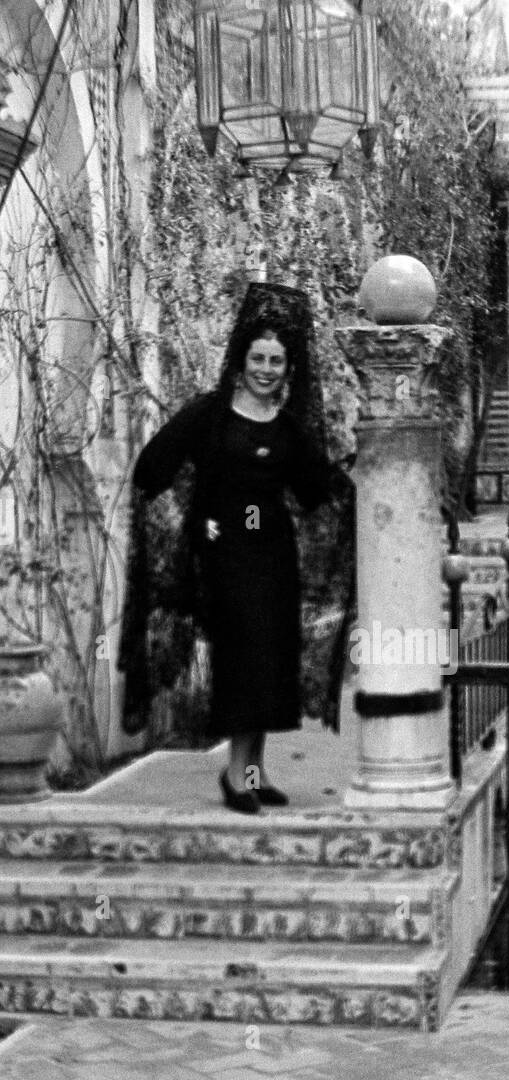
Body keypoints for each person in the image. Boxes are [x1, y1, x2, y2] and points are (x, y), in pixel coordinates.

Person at [118, 284, 355, 815]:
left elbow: (317, 492)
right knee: (242, 661)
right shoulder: (210, 415)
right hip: (226, 560)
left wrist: (364, 473)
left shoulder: (288, 428)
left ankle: (255, 770)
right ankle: (233, 775)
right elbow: (154, 467)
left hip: (274, 558)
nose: (266, 368)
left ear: (288, 368)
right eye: (258, 358)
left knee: (272, 663)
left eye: (277, 360)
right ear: (240, 360)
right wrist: (196, 525)